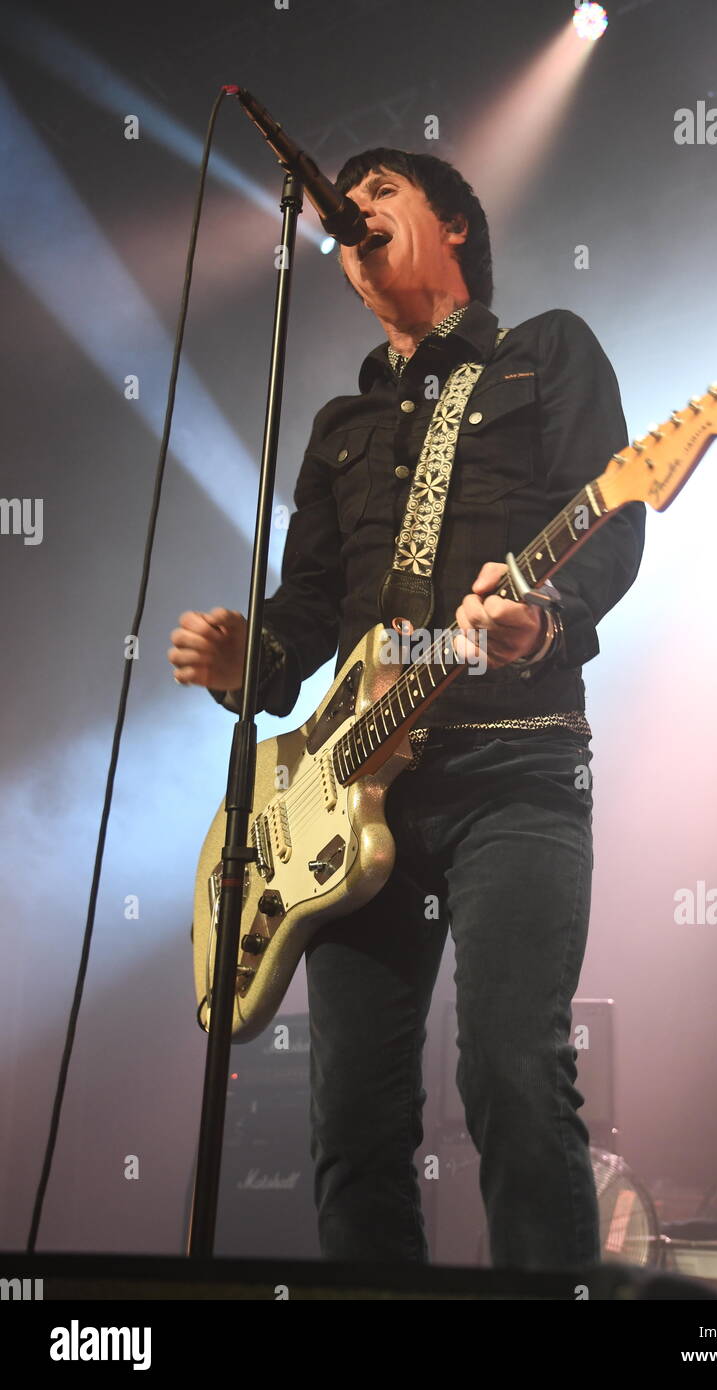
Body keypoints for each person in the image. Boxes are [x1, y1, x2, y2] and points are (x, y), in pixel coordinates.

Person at [168, 148, 645, 1270]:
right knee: (353, 1122)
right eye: (345, 205)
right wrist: (252, 656)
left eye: (380, 192)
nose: (355, 211)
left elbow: (611, 520)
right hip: (344, 799)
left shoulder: (547, 353)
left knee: (512, 1074)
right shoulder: (341, 424)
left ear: (457, 228)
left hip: (510, 766)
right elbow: (308, 613)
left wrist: (544, 617)